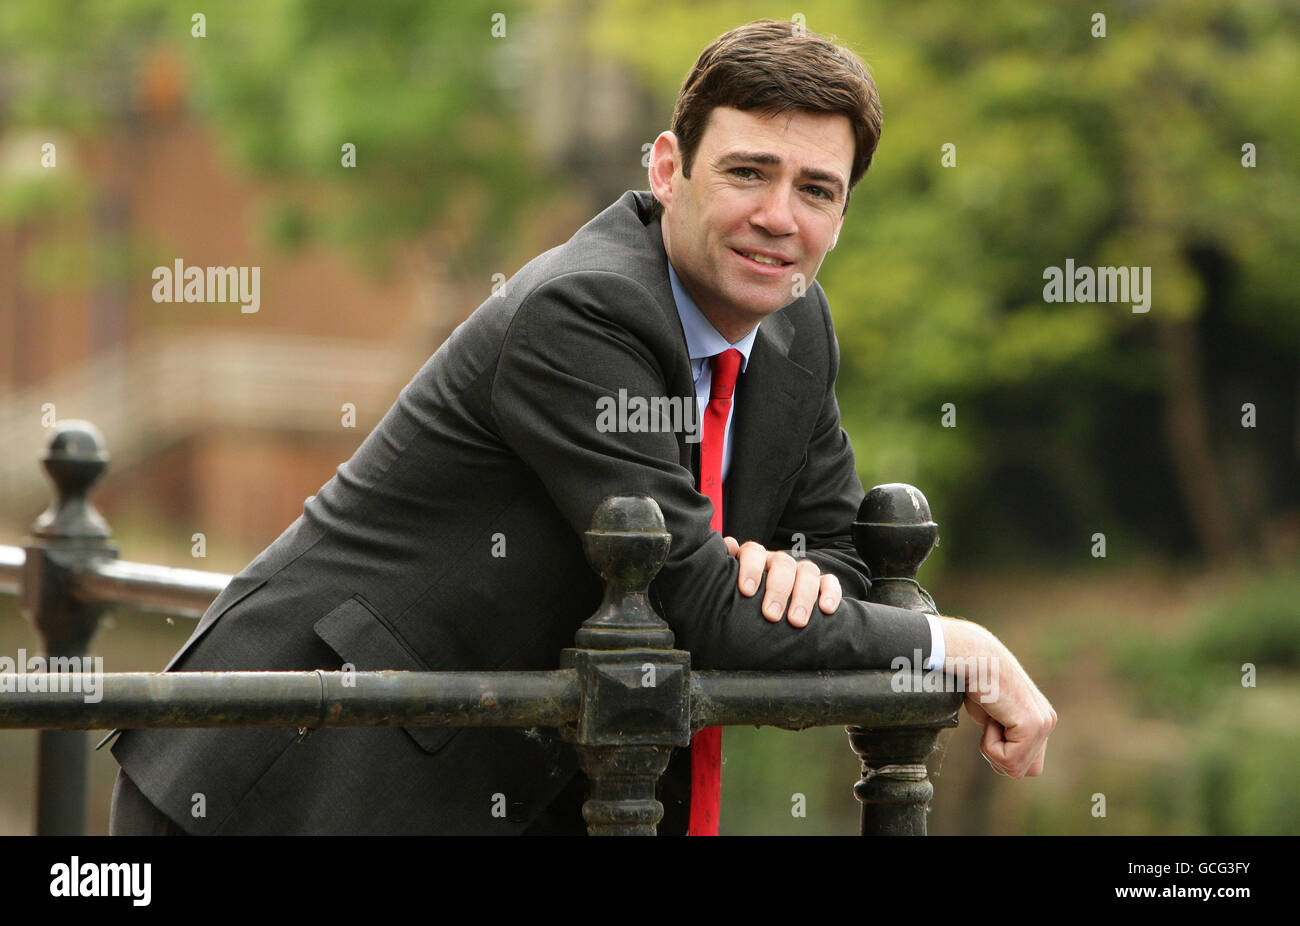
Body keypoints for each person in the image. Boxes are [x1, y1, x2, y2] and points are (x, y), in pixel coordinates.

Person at [107, 18, 1055, 836]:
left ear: (844, 213)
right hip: (293, 768)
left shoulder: (794, 326)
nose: (778, 216)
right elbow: (696, 601)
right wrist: (948, 647)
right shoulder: (580, 313)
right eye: (748, 172)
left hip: (509, 777)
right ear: (667, 166)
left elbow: (836, 556)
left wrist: (781, 575)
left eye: (817, 189)